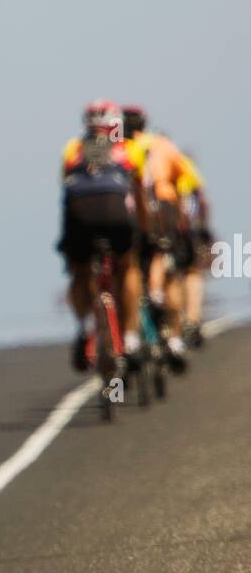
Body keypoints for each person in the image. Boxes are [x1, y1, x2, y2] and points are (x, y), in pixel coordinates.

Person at [59, 101, 148, 371]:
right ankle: (130, 338)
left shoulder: (73, 148)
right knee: (128, 267)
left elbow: (66, 194)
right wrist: (143, 231)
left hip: (81, 215)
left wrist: (68, 240)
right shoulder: (128, 148)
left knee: (80, 270)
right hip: (115, 213)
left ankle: (86, 325)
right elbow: (139, 196)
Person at [122, 106, 197, 371]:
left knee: (129, 269)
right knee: (169, 271)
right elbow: (189, 179)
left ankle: (128, 338)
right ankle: (174, 338)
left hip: (125, 217)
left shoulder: (116, 148)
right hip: (162, 209)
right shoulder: (161, 144)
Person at [177, 149, 214, 348]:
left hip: (160, 230)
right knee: (192, 272)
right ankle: (192, 320)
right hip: (186, 230)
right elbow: (201, 202)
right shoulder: (184, 167)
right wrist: (205, 232)